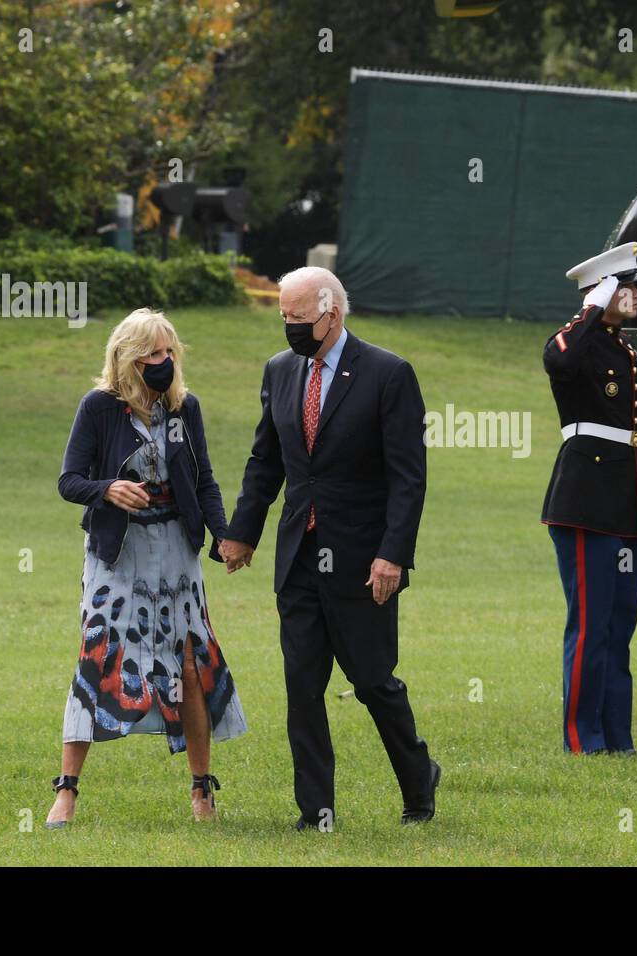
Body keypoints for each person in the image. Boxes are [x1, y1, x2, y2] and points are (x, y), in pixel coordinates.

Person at [217, 266, 440, 830]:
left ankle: (419, 780)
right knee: (303, 684)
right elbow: (266, 461)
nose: (288, 327)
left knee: (372, 681)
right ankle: (316, 809)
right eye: (283, 317)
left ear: (331, 314)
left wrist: (393, 554)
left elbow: (408, 477)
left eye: (297, 318)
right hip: (298, 557)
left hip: (363, 561)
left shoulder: (389, 375)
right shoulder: (280, 370)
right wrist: (242, 532)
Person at [48, 308, 247, 828]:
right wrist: (107, 489)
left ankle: (202, 789)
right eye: (152, 355)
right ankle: (66, 790)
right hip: (117, 554)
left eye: (168, 353)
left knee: (189, 665)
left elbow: (204, 481)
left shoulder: (185, 409)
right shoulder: (99, 408)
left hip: (176, 553)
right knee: (97, 656)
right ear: (128, 360)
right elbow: (68, 481)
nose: (163, 362)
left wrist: (224, 534)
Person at [542, 242, 637, 755]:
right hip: (585, 497)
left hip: (624, 498)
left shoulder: (623, 348)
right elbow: (559, 364)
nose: (636, 295)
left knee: (618, 622)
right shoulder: (575, 341)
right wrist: (589, 309)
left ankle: (617, 738)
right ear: (601, 290)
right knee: (589, 623)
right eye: (626, 287)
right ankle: (582, 739)